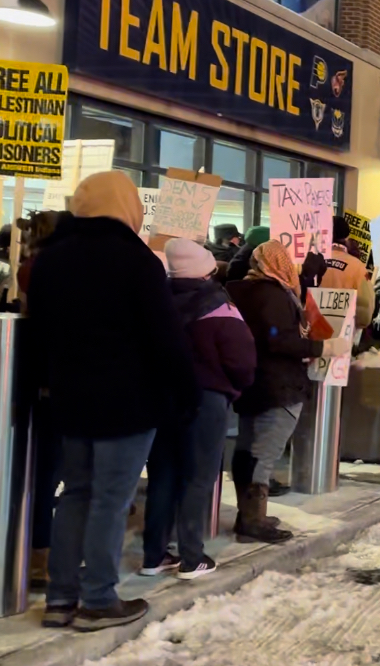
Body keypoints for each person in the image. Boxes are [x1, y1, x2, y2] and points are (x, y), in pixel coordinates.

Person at [29, 171, 199, 631]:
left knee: (76, 495)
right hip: (128, 401)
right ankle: (99, 599)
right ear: (126, 206)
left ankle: (61, 598)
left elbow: (37, 334)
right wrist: (186, 391)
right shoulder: (136, 261)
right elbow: (164, 335)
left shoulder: (50, 259)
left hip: (70, 401)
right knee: (111, 498)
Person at [141, 239, 257, 580]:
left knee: (163, 475)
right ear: (207, 269)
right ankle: (192, 556)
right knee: (199, 476)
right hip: (206, 400)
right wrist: (234, 388)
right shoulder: (219, 307)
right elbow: (242, 361)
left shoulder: (157, 302)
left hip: (163, 399)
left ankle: (153, 555)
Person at [228, 240, 349, 544]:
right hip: (278, 384)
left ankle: (249, 515)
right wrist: (321, 346)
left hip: (248, 382)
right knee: (264, 455)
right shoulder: (273, 294)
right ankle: (252, 522)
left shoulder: (239, 290)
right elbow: (277, 340)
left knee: (247, 449)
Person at [321, 216, 376, 329]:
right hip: (343, 337)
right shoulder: (357, 267)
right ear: (346, 236)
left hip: (313, 336)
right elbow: (365, 314)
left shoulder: (310, 263)